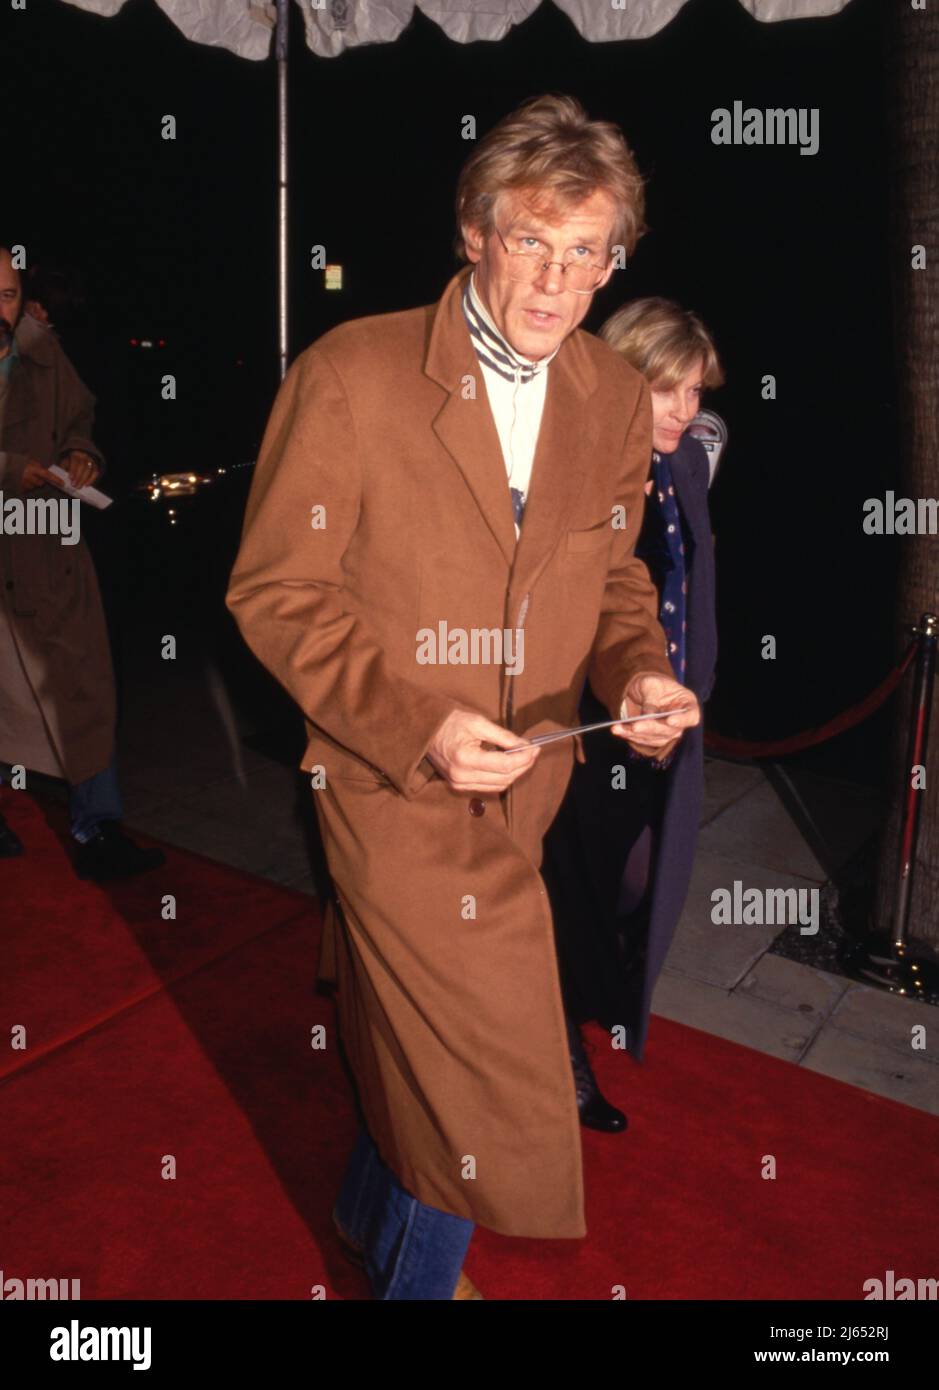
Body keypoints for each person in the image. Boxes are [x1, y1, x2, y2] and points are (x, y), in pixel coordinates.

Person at [225, 95, 700, 1300]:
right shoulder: (351, 372)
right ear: (476, 234)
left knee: (422, 1038)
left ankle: (363, 1208)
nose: (557, 279)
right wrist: (416, 724)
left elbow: (612, 572)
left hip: (529, 778)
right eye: (532, 241)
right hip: (387, 778)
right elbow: (277, 591)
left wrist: (636, 668)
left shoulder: (604, 391)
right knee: (488, 1058)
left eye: (588, 249)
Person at [542, 297, 723, 1129]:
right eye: (663, 392)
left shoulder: (686, 463)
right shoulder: (575, 468)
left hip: (663, 713)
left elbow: (691, 584)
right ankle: (558, 1052)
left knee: (640, 879)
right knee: (573, 885)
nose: (683, 412)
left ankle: (571, 1002)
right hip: (584, 718)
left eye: (694, 392)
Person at [0, 243, 164, 879]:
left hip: (46, 547)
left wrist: (79, 452)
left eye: (11, 294)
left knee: (83, 685)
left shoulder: (42, 350)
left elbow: (79, 416)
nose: (4, 308)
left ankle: (98, 831)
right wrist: (14, 469)